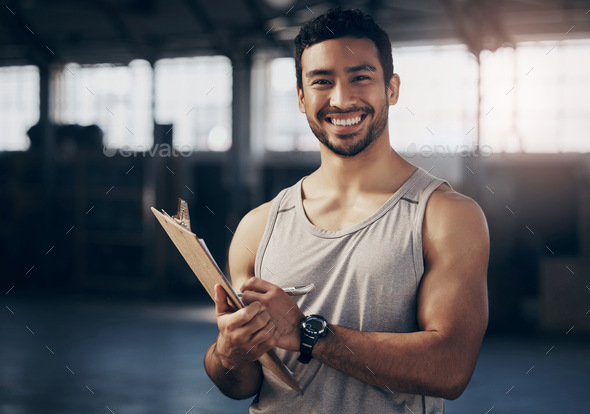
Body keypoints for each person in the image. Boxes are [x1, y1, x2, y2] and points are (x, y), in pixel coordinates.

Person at [204, 7, 489, 413]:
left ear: (391, 88)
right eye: (322, 82)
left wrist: (306, 334)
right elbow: (244, 383)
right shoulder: (258, 227)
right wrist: (228, 353)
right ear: (302, 98)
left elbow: (450, 369)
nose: (342, 99)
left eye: (361, 77)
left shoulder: (445, 216)